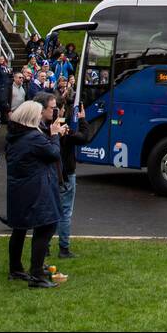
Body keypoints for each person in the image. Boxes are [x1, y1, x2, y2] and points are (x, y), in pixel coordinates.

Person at [5, 98, 67, 287]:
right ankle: (37, 274)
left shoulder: (15, 136)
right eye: (39, 113)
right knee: (46, 226)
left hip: (19, 187)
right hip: (36, 188)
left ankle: (16, 269)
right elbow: (54, 154)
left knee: (20, 228)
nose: (41, 116)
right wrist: (55, 135)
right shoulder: (33, 137)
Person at [56, 96, 91, 259]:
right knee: (65, 212)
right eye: (62, 108)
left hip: (52, 174)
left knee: (51, 210)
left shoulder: (45, 128)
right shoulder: (64, 130)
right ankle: (64, 247)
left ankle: (46, 245)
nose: (64, 111)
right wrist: (83, 119)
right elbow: (83, 137)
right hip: (66, 174)